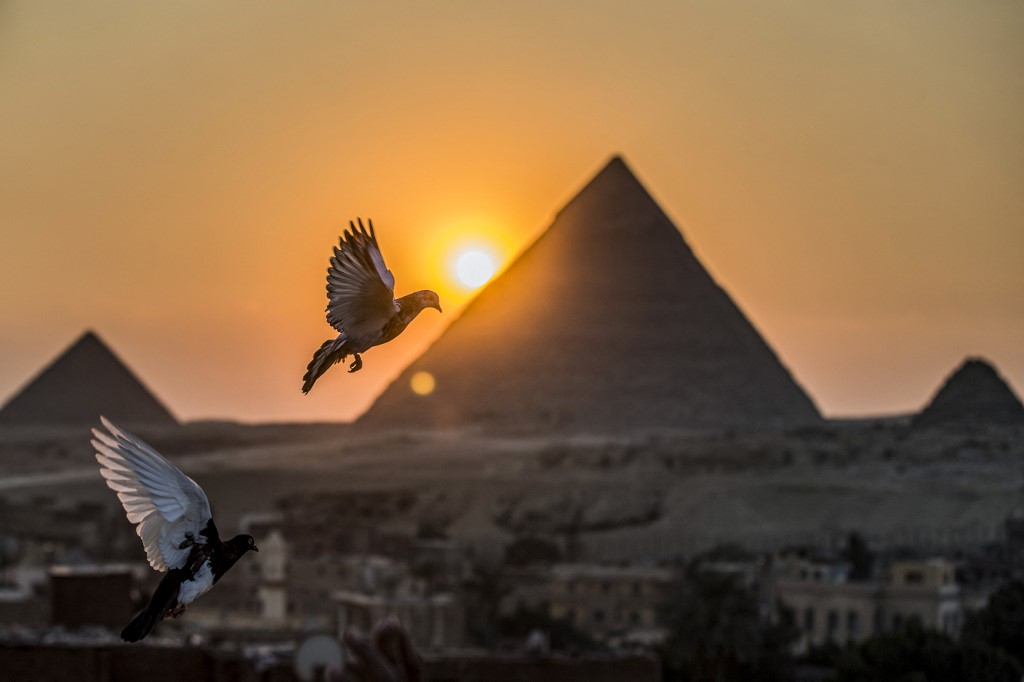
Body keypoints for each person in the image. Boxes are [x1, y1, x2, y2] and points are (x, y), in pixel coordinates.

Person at [331, 618, 423, 682]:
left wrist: (365, 649)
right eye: (386, 642)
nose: (390, 648)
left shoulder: (409, 665)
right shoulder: (369, 663)